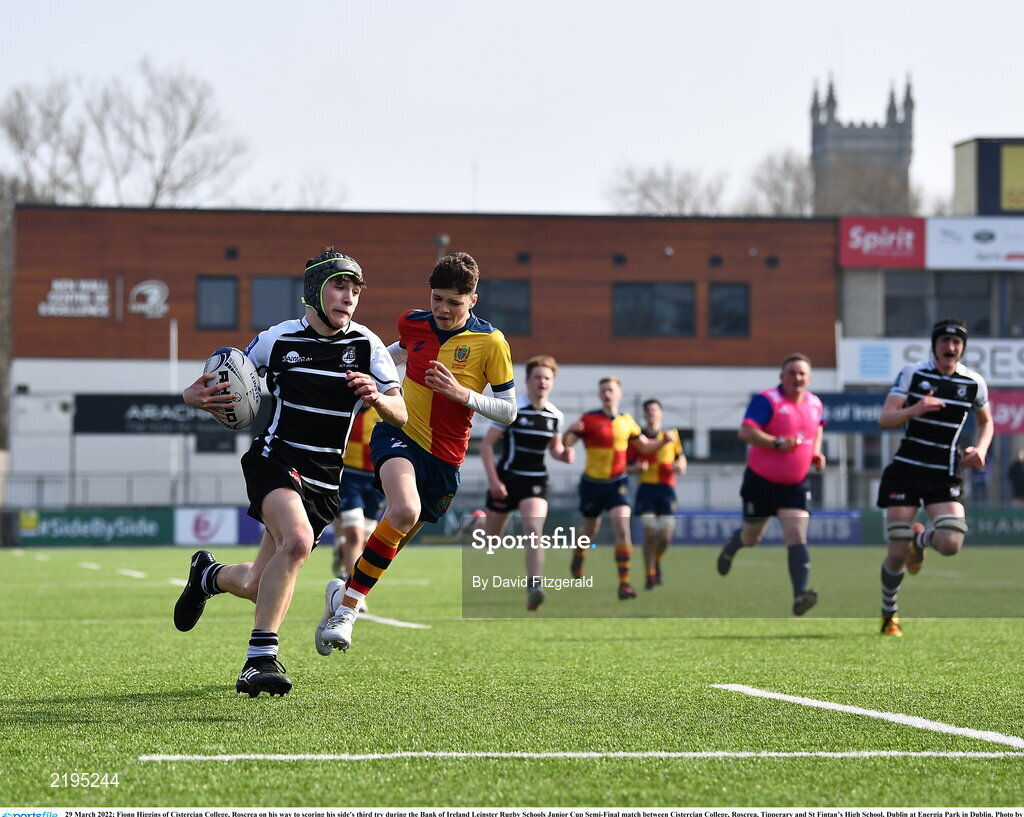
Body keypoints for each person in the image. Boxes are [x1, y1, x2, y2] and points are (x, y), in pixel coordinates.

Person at [174, 248, 405, 697]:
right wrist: (192, 396)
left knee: (257, 583)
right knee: (297, 542)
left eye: (356, 290)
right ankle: (259, 659)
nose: (349, 298)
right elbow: (227, 377)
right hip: (275, 460)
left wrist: (377, 397)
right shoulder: (276, 340)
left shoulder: (366, 345)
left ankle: (207, 575)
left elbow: (400, 412)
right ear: (315, 291)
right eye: (340, 286)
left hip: (324, 480)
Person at [314, 251, 517, 654]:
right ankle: (349, 612)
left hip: (445, 459)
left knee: (388, 548)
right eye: (437, 298)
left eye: (454, 303)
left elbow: (509, 410)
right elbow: (389, 356)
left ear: (472, 301)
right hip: (399, 433)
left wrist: (464, 395)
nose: (442, 309)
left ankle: (342, 595)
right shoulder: (412, 322)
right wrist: (357, 375)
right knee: (402, 510)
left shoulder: (490, 342)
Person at [875, 318, 991, 637]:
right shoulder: (914, 373)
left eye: (956, 343)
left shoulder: (973, 383)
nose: (950, 347)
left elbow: (986, 422)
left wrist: (980, 448)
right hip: (907, 469)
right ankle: (889, 613)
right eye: (944, 341)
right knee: (896, 554)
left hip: (944, 471)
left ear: (962, 348)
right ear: (934, 345)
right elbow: (885, 419)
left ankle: (920, 539)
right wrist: (914, 409)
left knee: (951, 542)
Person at [716, 353, 825, 616]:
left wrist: (815, 453)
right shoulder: (768, 400)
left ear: (809, 378)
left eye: (802, 374)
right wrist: (777, 442)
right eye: (792, 373)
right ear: (781, 377)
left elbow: (817, 428)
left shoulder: (815, 403)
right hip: (761, 483)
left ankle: (800, 595)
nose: (797, 378)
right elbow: (746, 432)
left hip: (795, 485)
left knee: (797, 534)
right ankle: (734, 544)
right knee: (752, 538)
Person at [562, 377, 679, 599]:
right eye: (603, 390)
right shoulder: (589, 418)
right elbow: (567, 443)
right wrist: (569, 432)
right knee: (589, 530)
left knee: (623, 529)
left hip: (617, 483)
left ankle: (624, 584)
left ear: (619, 394)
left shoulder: (627, 421)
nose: (607, 394)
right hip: (592, 484)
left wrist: (664, 442)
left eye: (611, 390)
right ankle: (579, 555)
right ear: (600, 394)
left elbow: (645, 447)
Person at [480, 354, 574, 611]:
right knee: (491, 541)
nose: (542, 382)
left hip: (536, 482)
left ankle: (534, 586)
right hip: (507, 479)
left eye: (547, 378)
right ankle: (477, 521)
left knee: (534, 531)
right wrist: (494, 482)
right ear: (528, 381)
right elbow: (487, 446)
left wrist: (564, 454)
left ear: (552, 382)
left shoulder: (556, 416)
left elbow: (554, 449)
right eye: (537, 377)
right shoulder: (513, 410)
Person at [330, 403, 384, 604]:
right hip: (349, 477)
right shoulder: (346, 407)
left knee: (365, 540)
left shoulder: (386, 406)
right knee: (354, 532)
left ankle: (342, 551)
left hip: (377, 479)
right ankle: (352, 592)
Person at [629, 398, 685, 590]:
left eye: (655, 410)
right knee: (650, 533)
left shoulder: (672, 435)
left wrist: (681, 466)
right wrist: (636, 468)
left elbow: (680, 457)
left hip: (667, 489)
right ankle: (649, 574)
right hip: (646, 489)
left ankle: (656, 560)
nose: (652, 413)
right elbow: (627, 466)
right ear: (644, 415)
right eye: (648, 411)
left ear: (661, 413)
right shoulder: (638, 437)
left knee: (666, 537)